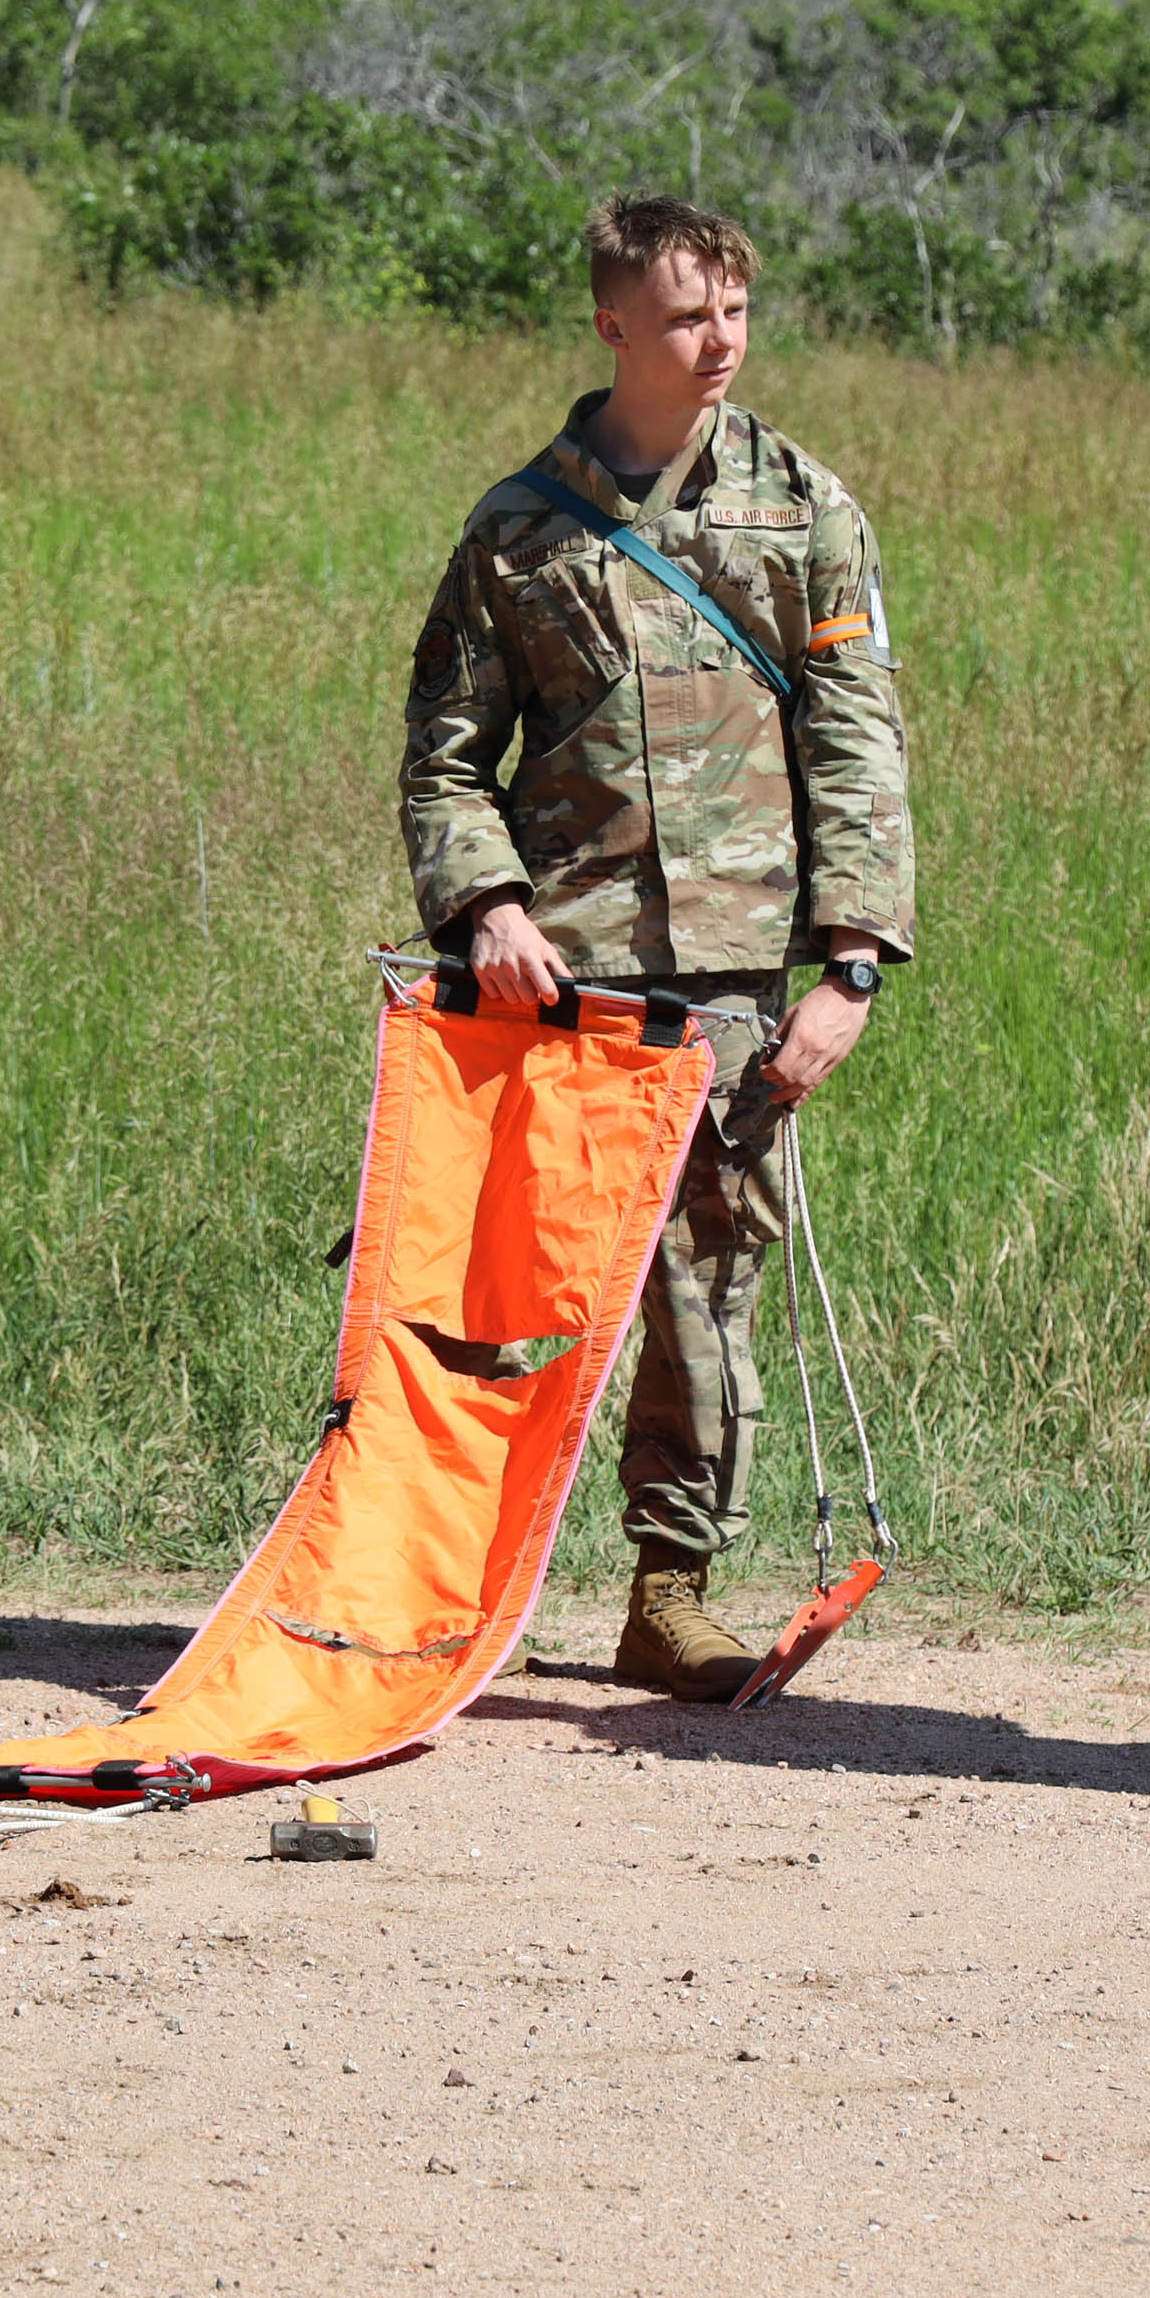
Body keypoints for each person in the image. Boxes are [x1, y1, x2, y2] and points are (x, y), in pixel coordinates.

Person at [397, 193, 917, 1700]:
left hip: (740, 981)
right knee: (509, 1290)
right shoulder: (519, 529)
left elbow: (860, 745)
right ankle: (443, 1592)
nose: (720, 344)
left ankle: (669, 1590)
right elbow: (445, 756)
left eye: (738, 313)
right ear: (615, 323)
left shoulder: (803, 507)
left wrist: (853, 967)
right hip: (557, 972)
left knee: (705, 1290)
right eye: (688, 317)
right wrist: (485, 907)